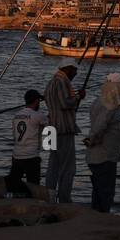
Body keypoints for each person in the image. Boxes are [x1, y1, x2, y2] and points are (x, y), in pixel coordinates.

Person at [84, 73, 120, 213]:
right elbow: (99, 126)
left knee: (98, 192)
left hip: (96, 157)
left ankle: (95, 218)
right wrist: (93, 140)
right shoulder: (111, 104)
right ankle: (102, 220)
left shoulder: (98, 101)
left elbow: (109, 126)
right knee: (106, 193)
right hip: (105, 157)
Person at [43, 62, 83, 203]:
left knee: (53, 164)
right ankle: (64, 198)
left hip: (51, 129)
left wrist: (75, 98)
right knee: (68, 167)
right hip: (63, 129)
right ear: (68, 68)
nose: (76, 73)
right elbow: (65, 103)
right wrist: (78, 97)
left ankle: (49, 196)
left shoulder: (51, 82)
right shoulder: (61, 82)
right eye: (75, 70)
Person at [6, 89, 47, 195]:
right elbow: (52, 124)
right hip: (31, 157)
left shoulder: (16, 116)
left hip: (16, 155)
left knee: (14, 185)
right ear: (37, 101)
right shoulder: (38, 116)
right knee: (34, 186)